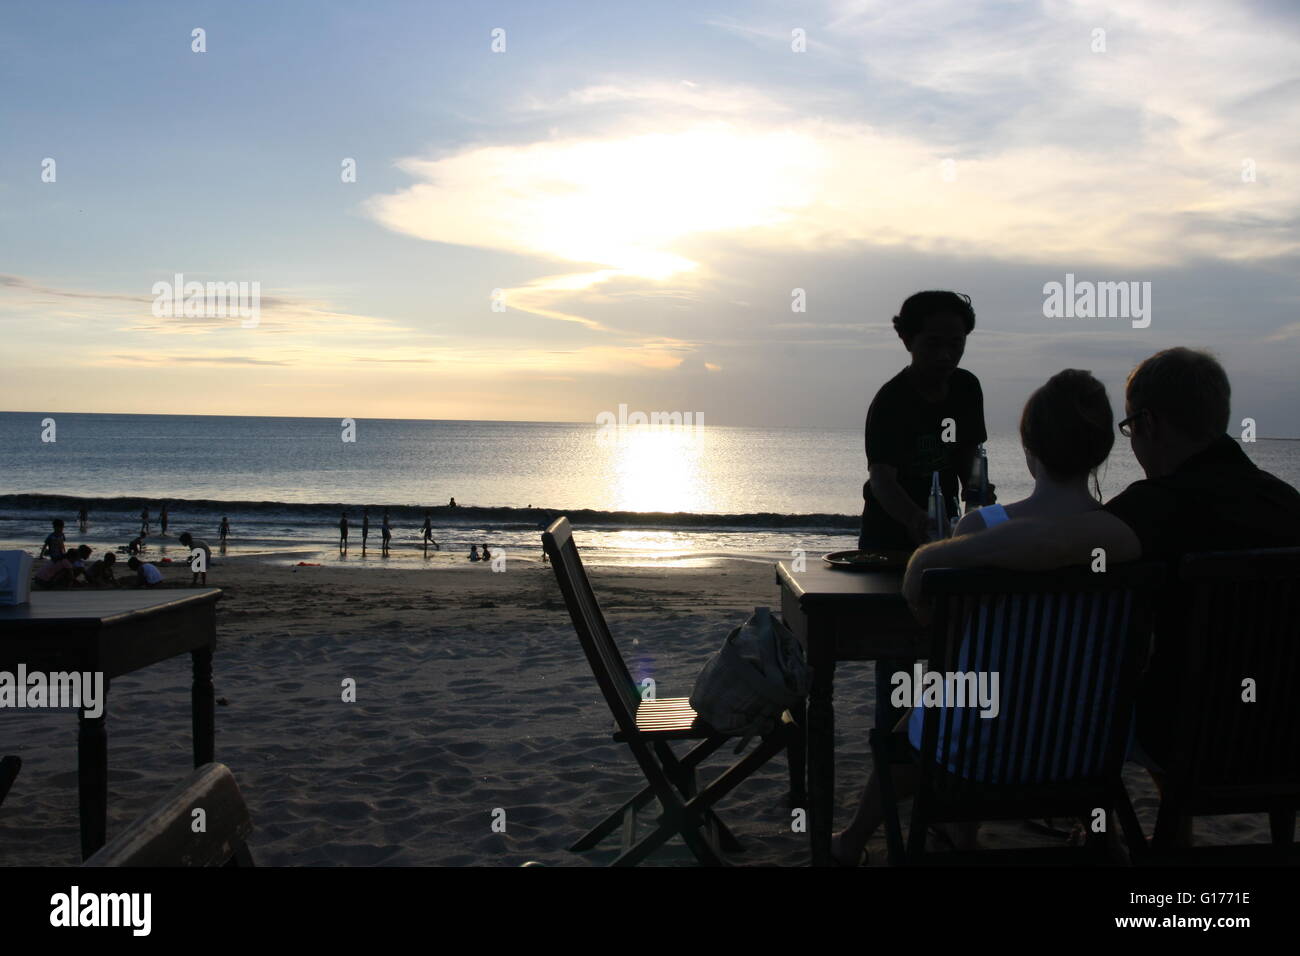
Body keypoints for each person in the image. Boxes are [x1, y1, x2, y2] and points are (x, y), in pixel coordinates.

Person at [902, 347, 1300, 844]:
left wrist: (930, 558)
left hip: (1190, 742)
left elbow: (1050, 542)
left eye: (1130, 428)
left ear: (1149, 422)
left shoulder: (1158, 508)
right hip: (1287, 744)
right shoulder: (1287, 503)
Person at [834, 369, 1115, 864]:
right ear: (1103, 449)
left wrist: (930, 557)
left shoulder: (984, 526)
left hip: (978, 755)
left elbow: (938, 632)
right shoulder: (1121, 538)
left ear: (1029, 450)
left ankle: (855, 840)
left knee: (931, 711)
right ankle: (965, 836)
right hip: (1083, 752)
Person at [860, 291, 991, 732]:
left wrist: (981, 505)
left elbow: (971, 460)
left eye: (956, 343)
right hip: (888, 542)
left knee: (953, 647)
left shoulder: (967, 388)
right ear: (906, 339)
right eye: (934, 343)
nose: (946, 354)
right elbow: (882, 480)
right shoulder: (891, 402)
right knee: (896, 661)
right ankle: (892, 751)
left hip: (947, 540)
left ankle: (939, 742)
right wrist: (918, 521)